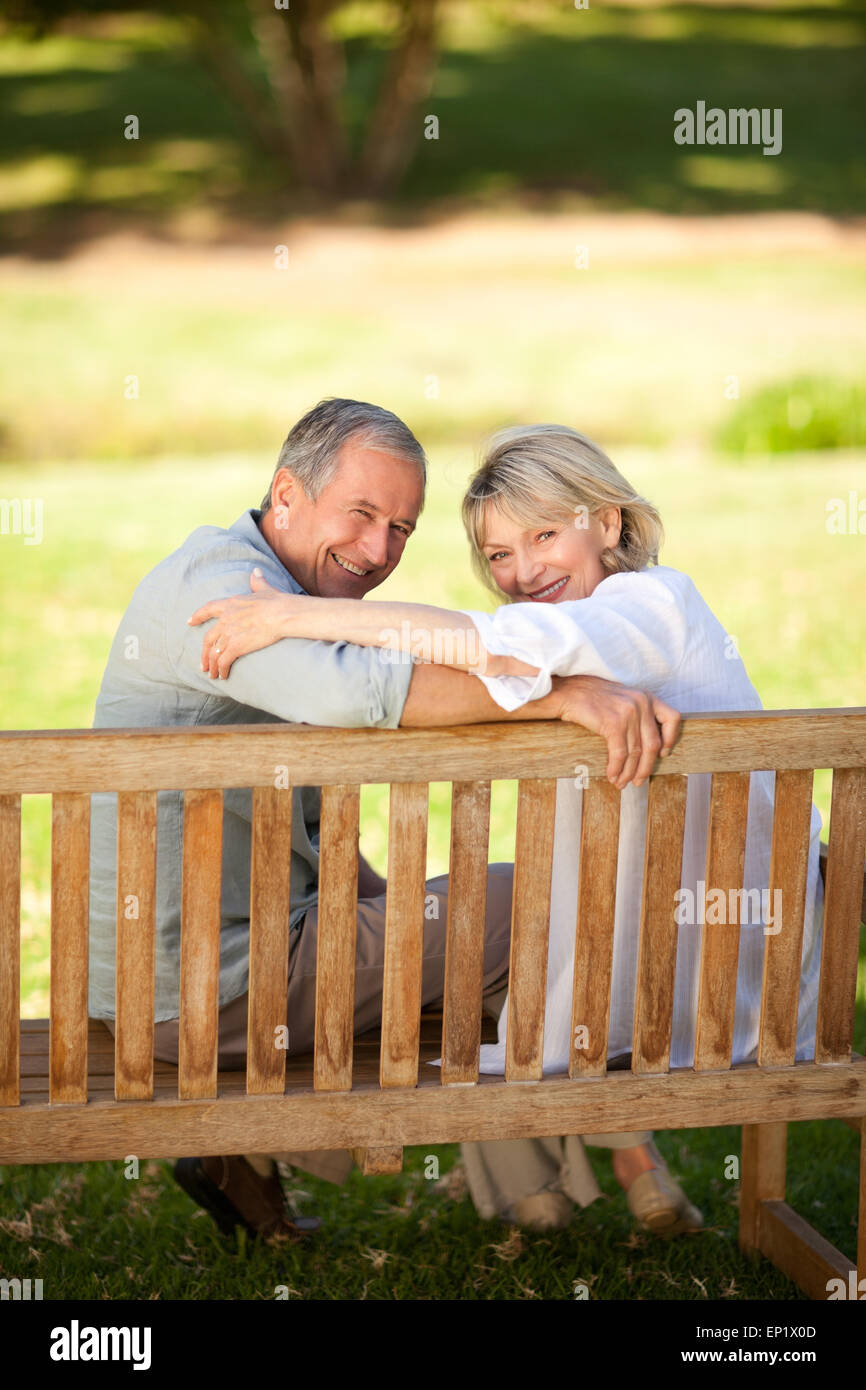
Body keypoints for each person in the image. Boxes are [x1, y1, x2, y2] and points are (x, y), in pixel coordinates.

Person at [193, 422, 826, 1236]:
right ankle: (591, 1175)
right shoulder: (603, 631)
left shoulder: (646, 605)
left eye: (543, 535)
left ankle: (522, 1181)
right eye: (498, 556)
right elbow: (498, 653)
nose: (523, 572)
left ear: (610, 524)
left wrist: (297, 616)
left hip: (696, 987)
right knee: (495, 925)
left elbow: (480, 640)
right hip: (713, 972)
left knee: (493, 930)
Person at [88, 400, 681, 1243]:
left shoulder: (276, 589)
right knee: (535, 898)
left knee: (472, 925)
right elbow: (357, 690)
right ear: (287, 495)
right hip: (204, 994)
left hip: (209, 971)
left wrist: (410, 910)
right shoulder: (220, 591)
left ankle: (269, 1159)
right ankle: (601, 1166)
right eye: (361, 515)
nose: (378, 554)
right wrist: (563, 696)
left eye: (401, 528)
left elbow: (315, 839)